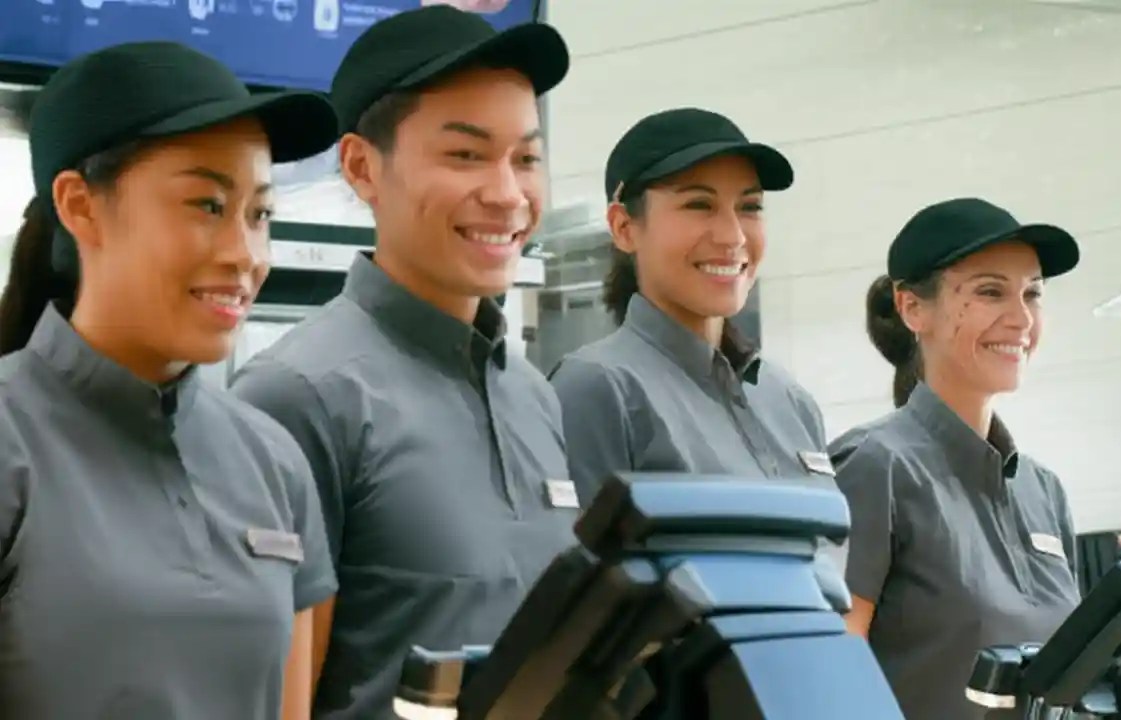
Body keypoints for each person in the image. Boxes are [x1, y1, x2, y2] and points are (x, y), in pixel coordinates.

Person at [228, 7, 574, 718]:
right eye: (466, 155)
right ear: (361, 167)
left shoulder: (534, 395)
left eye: (527, 157)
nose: (508, 193)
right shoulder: (296, 397)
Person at [0, 41, 339, 719]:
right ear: (81, 206)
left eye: (259, 214)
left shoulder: (274, 464)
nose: (245, 255)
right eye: (207, 206)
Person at [828, 197, 1084, 719]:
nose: (1021, 319)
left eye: (1032, 293)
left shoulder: (1043, 490)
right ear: (912, 308)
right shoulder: (875, 466)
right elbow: (832, 676)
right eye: (990, 292)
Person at [548, 107, 833, 508]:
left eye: (749, 207)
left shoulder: (791, 403)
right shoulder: (598, 390)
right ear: (624, 227)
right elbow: (577, 566)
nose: (733, 236)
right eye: (699, 205)